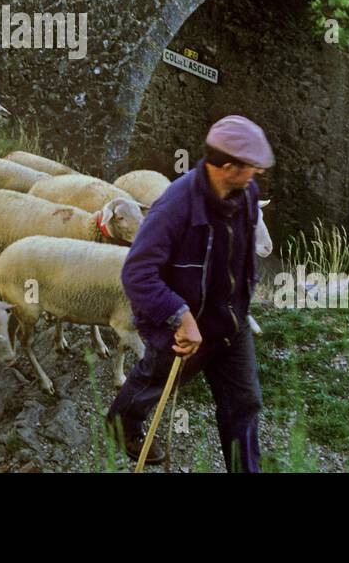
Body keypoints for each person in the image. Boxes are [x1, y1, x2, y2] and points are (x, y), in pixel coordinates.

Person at [105, 115, 273, 472]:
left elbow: (241, 255)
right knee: (153, 380)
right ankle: (121, 424)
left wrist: (241, 300)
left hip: (230, 321)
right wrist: (179, 315)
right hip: (183, 328)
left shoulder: (246, 194)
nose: (256, 174)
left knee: (244, 405)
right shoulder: (175, 206)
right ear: (228, 167)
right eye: (251, 167)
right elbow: (137, 272)